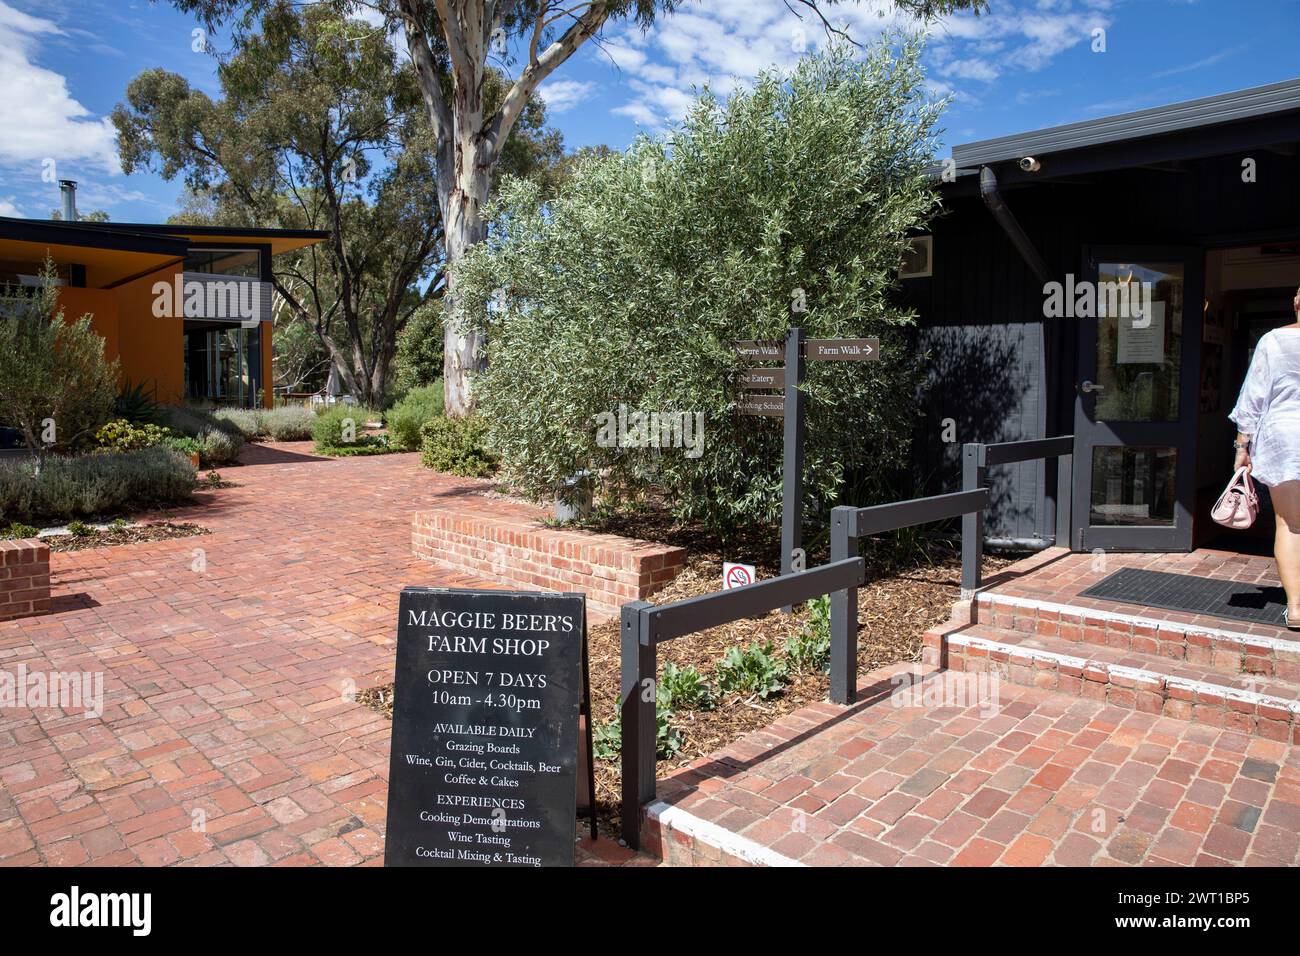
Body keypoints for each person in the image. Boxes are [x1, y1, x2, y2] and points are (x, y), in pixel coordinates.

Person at [1230, 286, 1300, 629]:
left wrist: (1242, 447)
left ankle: (1297, 606)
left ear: (1296, 304)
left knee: (1290, 523)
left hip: (1284, 437)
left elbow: (1253, 399)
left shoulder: (1273, 341)